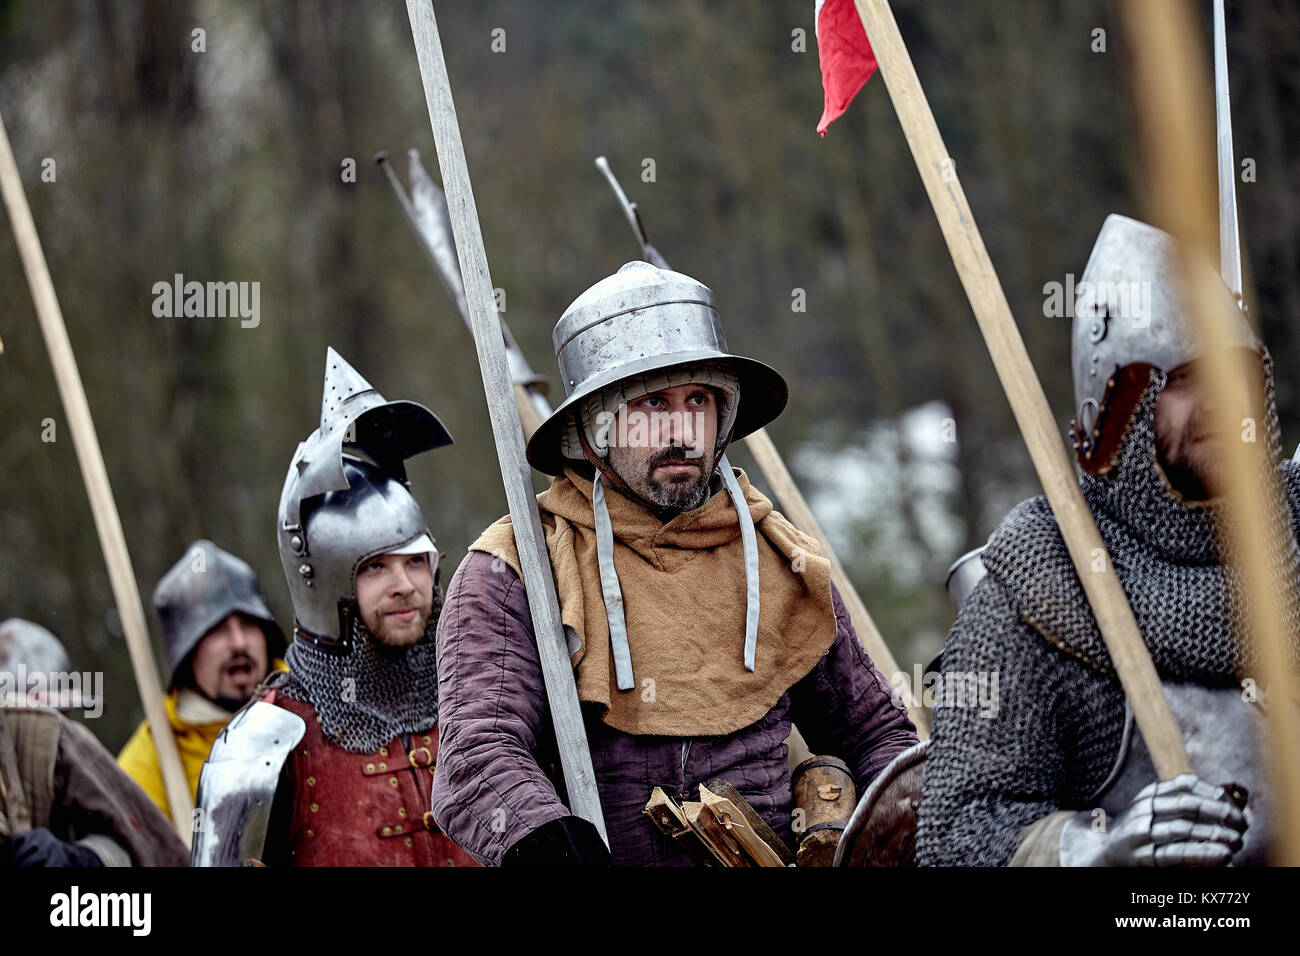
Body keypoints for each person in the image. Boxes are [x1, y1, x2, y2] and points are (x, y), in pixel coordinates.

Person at [431, 261, 918, 866]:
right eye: (653, 403)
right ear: (597, 428)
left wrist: (891, 834)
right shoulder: (517, 568)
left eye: (698, 400)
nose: (682, 430)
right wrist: (553, 848)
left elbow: (877, 736)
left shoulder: (780, 559)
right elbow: (479, 755)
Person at [916, 214, 1295, 866]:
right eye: (1180, 380)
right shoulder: (1039, 584)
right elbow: (957, 836)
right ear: (1117, 409)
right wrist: (1097, 850)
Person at [191, 348, 475, 867]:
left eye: (415, 562)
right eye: (375, 567)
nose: (404, 586)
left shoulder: (475, 697)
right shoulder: (260, 745)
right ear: (325, 584)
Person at [117, 540, 284, 822]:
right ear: (187, 654)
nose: (238, 642)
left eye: (248, 624)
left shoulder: (314, 708)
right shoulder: (145, 767)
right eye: (217, 629)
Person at [1, 618, 187, 867]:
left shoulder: (72, 772)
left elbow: (127, 842)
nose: (58, 730)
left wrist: (81, 859)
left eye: (62, 714)